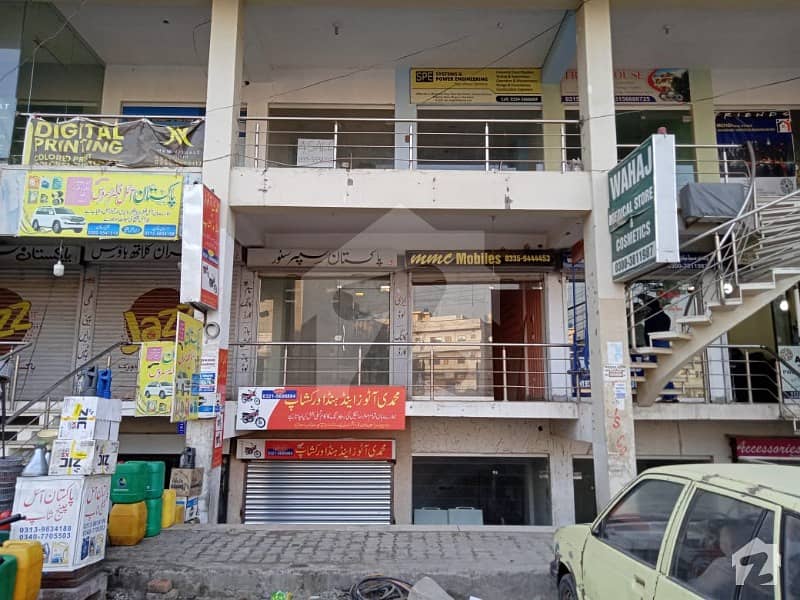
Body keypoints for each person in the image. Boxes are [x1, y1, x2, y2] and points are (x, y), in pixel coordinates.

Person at [690, 522, 751, 599]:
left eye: (722, 539)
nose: (719, 541)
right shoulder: (723, 562)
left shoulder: (725, 568)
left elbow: (697, 587)